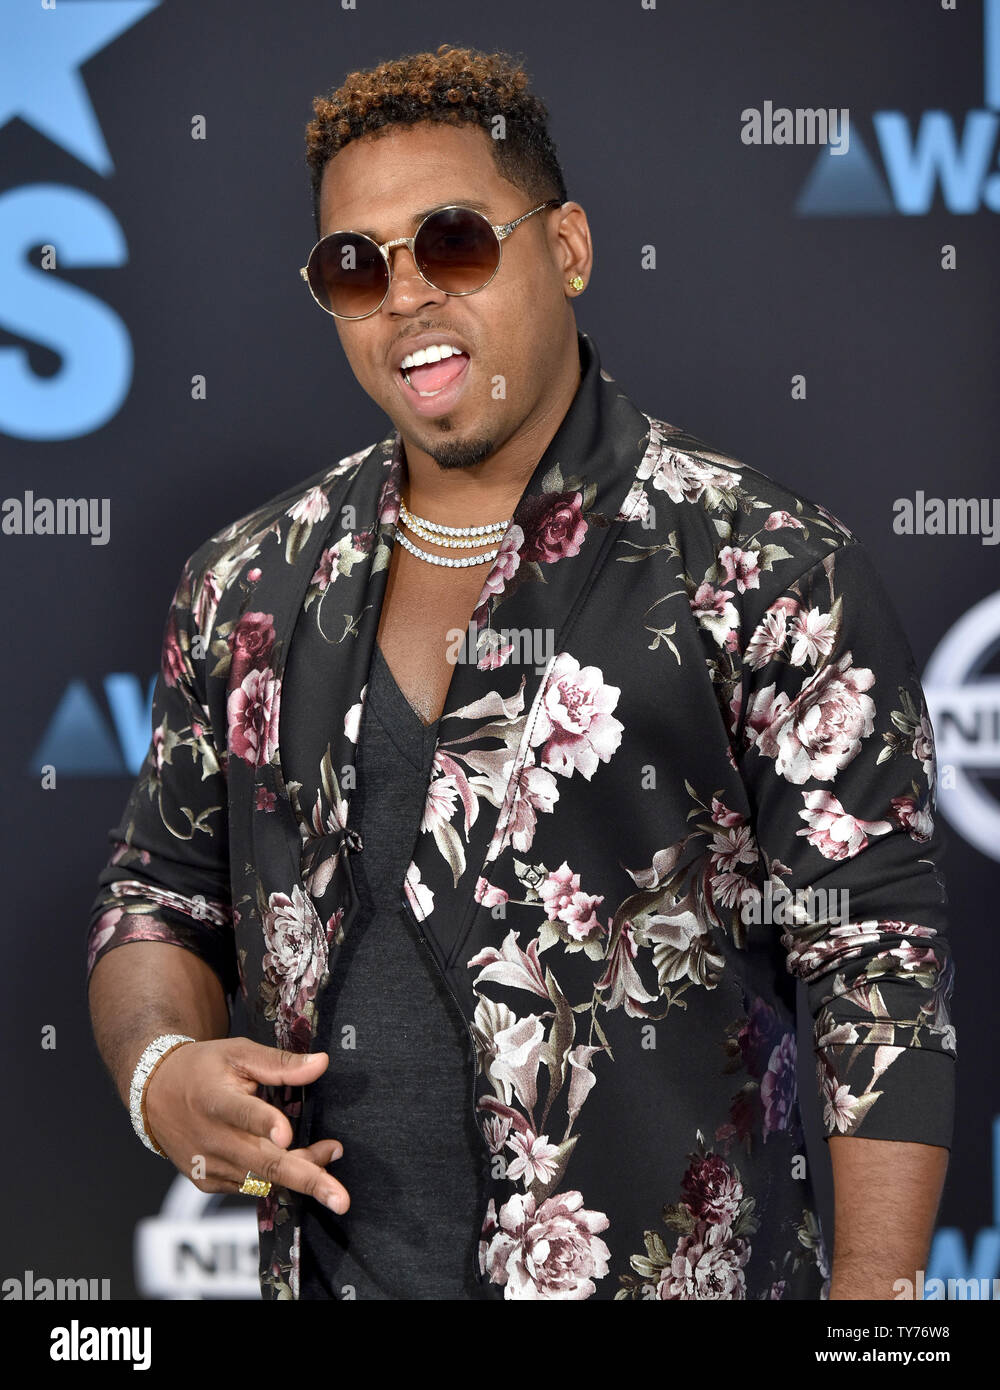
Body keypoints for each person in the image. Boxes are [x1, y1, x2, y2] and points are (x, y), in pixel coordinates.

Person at [87, 43, 955, 1302]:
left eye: (452, 243)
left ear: (570, 247)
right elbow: (156, 891)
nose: (404, 297)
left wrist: (875, 1306)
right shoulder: (246, 583)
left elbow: (875, 955)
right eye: (353, 266)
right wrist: (159, 1066)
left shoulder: (762, 563)